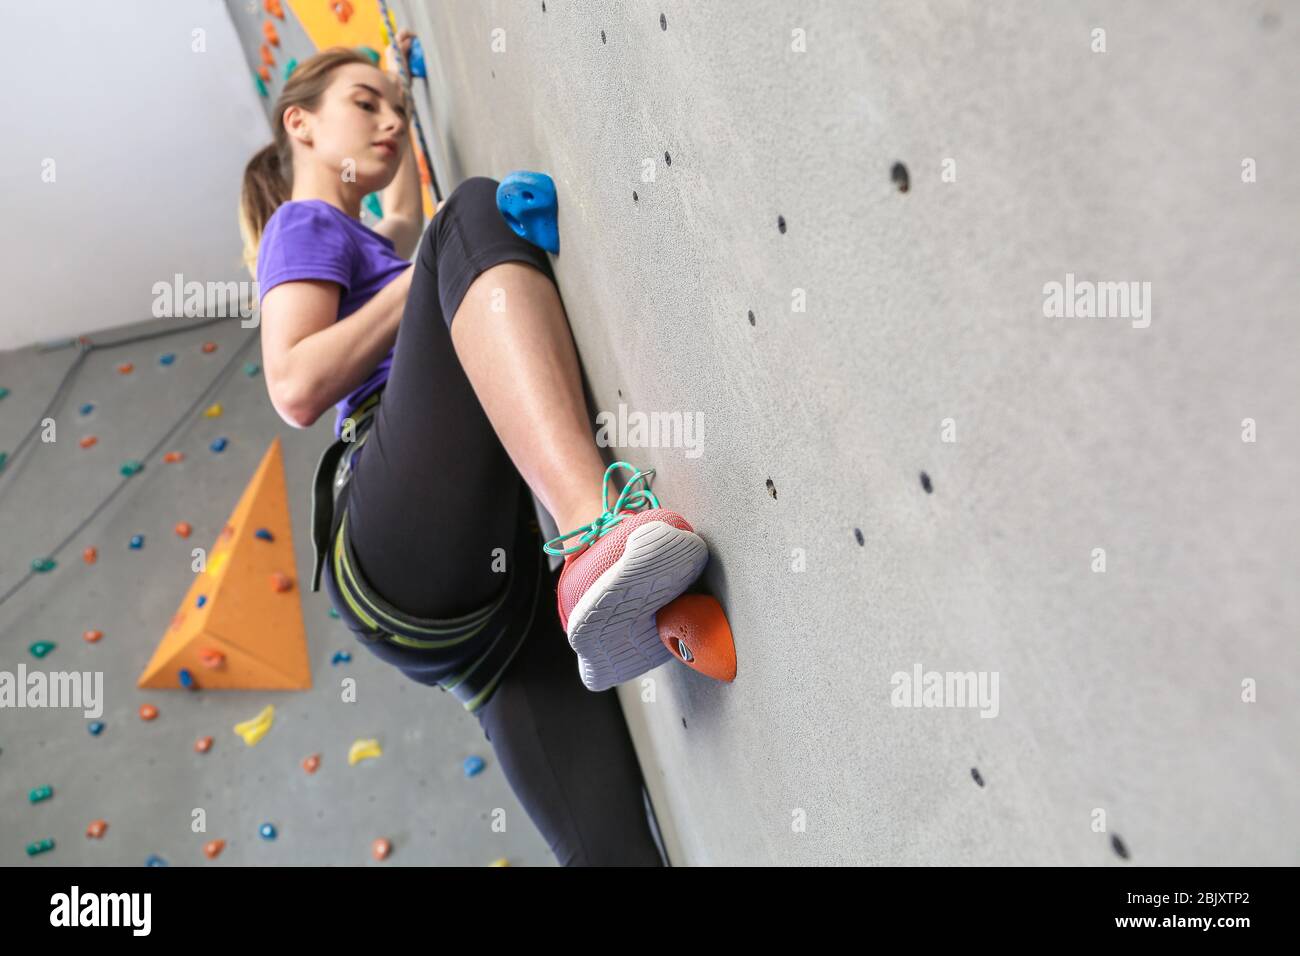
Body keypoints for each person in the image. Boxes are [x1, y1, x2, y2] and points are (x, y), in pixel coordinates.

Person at [236, 40, 709, 865]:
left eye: (393, 110)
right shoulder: (302, 224)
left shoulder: (368, 239)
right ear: (299, 123)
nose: (386, 123)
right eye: (364, 104)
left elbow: (406, 225)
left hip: (479, 623)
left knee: (613, 854)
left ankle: (587, 567)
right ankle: (597, 524)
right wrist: (424, 263)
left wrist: (407, 102)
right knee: (473, 216)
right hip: (389, 526)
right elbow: (295, 383)